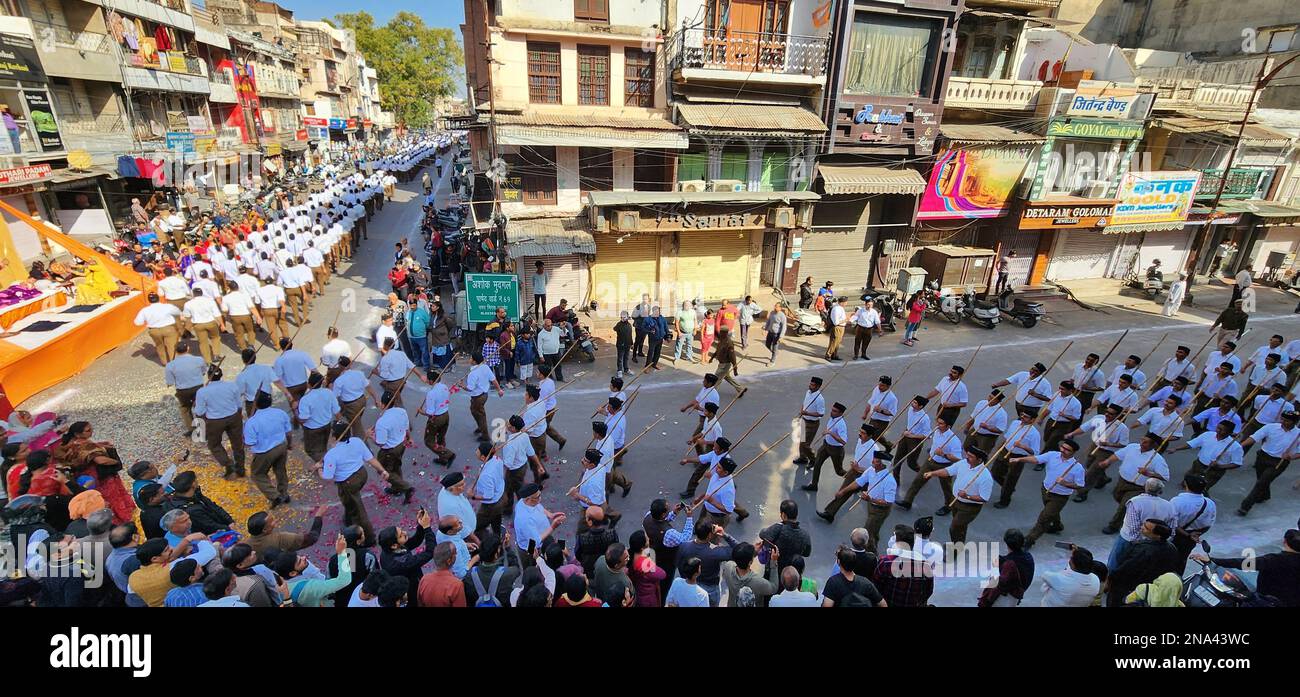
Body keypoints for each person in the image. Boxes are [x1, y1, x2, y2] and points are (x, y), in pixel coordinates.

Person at [1194, 529, 1300, 607]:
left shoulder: (1273, 560)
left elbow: (1243, 563)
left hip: (1265, 601)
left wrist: (1212, 560)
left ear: (1285, 541)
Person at [1106, 518, 1181, 607]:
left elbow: (1124, 569)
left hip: (1127, 587)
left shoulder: (1142, 550)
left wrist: (1110, 579)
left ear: (1157, 535)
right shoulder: (1172, 548)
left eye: (1146, 528)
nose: (1142, 527)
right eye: (1143, 525)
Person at [978, 529, 1034, 607]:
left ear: (1007, 543)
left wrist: (985, 602)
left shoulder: (1009, 564)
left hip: (1005, 598)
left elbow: (998, 586)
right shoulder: (1028, 557)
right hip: (1015, 596)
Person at [706, 327, 746, 397]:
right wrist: (712, 358)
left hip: (725, 364)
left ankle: (711, 394)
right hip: (721, 363)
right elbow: (717, 350)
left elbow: (732, 357)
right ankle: (740, 389)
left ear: (725, 333)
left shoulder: (729, 343)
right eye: (720, 332)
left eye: (722, 332)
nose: (720, 333)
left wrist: (735, 368)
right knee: (727, 377)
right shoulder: (721, 340)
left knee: (716, 379)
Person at [825, 296, 847, 361]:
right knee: (834, 342)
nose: (846, 304)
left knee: (838, 342)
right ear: (842, 302)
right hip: (837, 327)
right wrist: (845, 320)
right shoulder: (836, 309)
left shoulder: (841, 308)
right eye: (845, 302)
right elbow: (836, 322)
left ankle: (834, 355)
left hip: (841, 327)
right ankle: (828, 354)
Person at [615, 311, 633, 377]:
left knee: (626, 357)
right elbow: (615, 329)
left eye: (624, 317)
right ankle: (619, 370)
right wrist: (619, 325)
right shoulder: (619, 324)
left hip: (627, 345)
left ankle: (626, 369)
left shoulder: (629, 325)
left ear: (627, 317)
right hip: (620, 345)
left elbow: (630, 335)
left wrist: (631, 343)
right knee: (620, 358)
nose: (623, 318)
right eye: (621, 317)